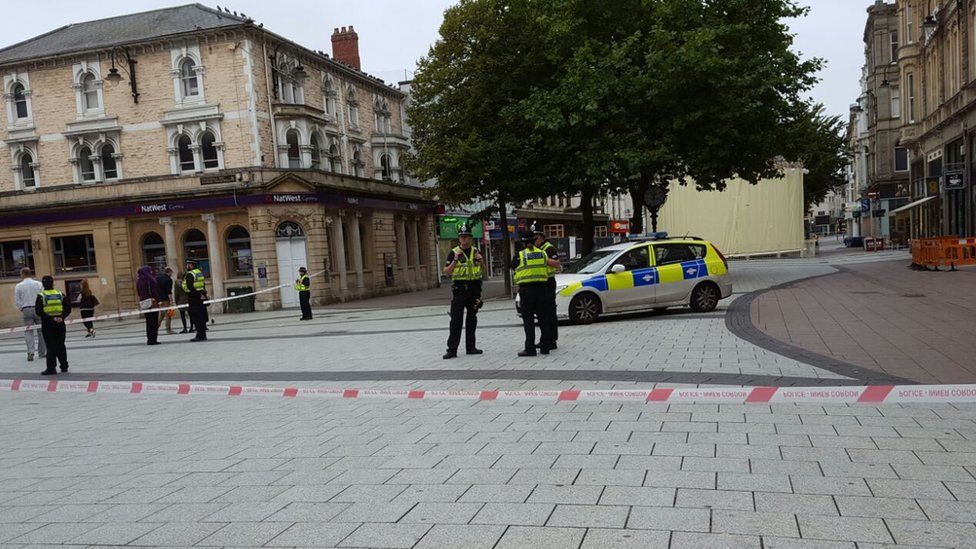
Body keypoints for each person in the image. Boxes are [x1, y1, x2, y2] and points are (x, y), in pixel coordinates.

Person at [512, 230, 560, 357]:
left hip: (526, 291)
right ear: (534, 241)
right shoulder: (542, 253)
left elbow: (513, 267)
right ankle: (545, 347)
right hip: (542, 289)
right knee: (543, 319)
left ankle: (530, 348)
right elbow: (552, 264)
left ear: (523, 243)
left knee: (528, 321)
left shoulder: (520, 255)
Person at [442, 223, 485, 359]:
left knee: (472, 319)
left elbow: (484, 271)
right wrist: (455, 260)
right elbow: (446, 272)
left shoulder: (476, 251)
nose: (464, 239)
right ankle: (452, 349)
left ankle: (471, 347)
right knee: (456, 320)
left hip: (474, 290)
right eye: (462, 237)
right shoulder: (454, 252)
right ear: (459, 238)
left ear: (471, 238)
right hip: (459, 291)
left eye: (467, 237)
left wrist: (482, 261)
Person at [35, 275, 70, 375]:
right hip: (60, 323)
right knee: (61, 345)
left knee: (50, 346)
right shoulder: (60, 294)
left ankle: (51, 368)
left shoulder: (41, 296)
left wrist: (51, 318)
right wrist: (61, 317)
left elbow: (39, 311)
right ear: (53, 283)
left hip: (48, 324)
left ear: (43, 284)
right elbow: (68, 308)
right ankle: (64, 366)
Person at [533, 223, 559, 350]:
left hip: (548, 282)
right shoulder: (533, 250)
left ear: (542, 237)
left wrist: (543, 259)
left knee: (549, 312)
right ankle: (544, 338)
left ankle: (552, 340)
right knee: (541, 313)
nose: (534, 241)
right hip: (539, 283)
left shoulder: (548, 248)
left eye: (536, 238)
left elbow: (557, 263)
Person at [14, 267, 45, 362]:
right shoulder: (38, 284)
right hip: (38, 309)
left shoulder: (19, 286)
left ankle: (31, 352)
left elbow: (17, 300)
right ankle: (42, 352)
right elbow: (43, 296)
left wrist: (22, 308)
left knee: (28, 331)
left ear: (23, 274)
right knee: (41, 331)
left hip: (26, 309)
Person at [183, 259, 208, 341]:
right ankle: (203, 335)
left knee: (196, 317)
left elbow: (190, 286)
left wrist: (198, 294)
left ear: (191, 265)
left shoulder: (190, 274)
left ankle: (199, 336)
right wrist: (203, 294)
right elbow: (202, 285)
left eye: (188, 264)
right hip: (200, 296)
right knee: (201, 316)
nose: (187, 266)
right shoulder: (199, 272)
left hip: (193, 297)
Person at [136, 266, 160, 346]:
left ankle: (149, 339)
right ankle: (153, 339)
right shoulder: (150, 279)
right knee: (154, 321)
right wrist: (158, 301)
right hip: (151, 302)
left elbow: (139, 292)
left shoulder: (139, 280)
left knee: (148, 321)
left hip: (143, 302)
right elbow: (154, 291)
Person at [156, 267, 175, 335]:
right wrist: (171, 301)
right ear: (169, 272)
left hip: (159, 299)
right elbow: (168, 292)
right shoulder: (168, 280)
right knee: (168, 314)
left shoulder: (157, 278)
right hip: (166, 299)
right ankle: (168, 329)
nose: (172, 274)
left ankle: (155, 328)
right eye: (171, 273)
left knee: (162, 314)